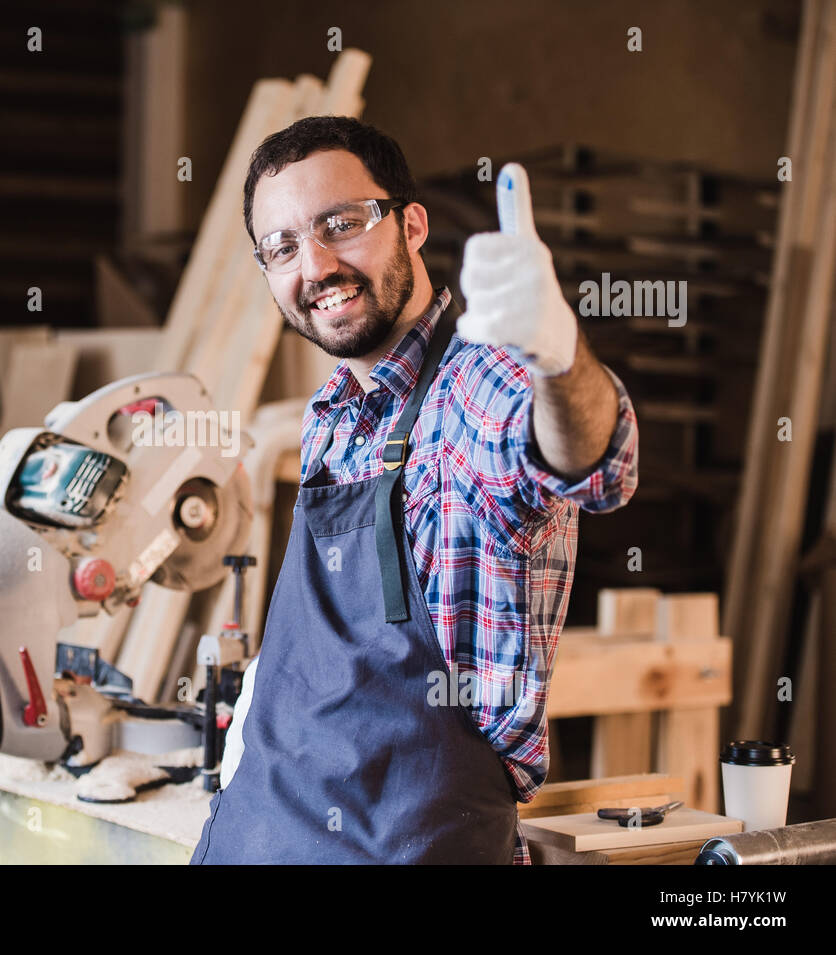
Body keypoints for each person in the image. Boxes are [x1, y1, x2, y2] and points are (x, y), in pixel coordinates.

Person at [191, 116, 639, 864]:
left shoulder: (476, 383)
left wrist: (555, 354)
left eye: (341, 223)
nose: (318, 264)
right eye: (285, 247)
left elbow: (599, 461)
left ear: (412, 223)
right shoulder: (332, 414)